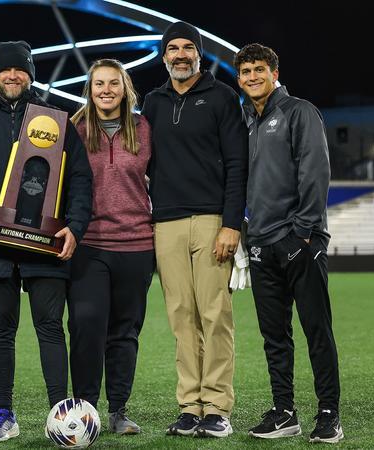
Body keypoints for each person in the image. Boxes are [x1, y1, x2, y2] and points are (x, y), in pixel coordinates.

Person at [0, 40, 92, 442]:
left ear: (31, 75)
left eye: (21, 70)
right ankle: (3, 414)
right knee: (0, 331)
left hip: (45, 244)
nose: (13, 76)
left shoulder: (56, 121)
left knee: (50, 327)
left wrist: (75, 227)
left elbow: (80, 180)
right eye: (6, 69)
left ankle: (60, 414)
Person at [141, 21, 248, 438]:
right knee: (181, 317)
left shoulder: (223, 97)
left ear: (199, 55)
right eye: (174, 48)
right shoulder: (152, 102)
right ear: (164, 55)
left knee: (215, 315)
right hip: (165, 223)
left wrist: (231, 224)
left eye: (189, 48)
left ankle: (217, 408)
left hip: (211, 222)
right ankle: (190, 406)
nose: (181, 55)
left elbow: (238, 164)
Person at [234, 43, 343, 444]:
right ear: (239, 79)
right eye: (246, 72)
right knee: (274, 336)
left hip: (299, 240)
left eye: (259, 69)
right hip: (261, 242)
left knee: (317, 329)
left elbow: (315, 171)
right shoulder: (245, 120)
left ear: (274, 73)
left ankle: (329, 413)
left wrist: (304, 231)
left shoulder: (299, 112)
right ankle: (284, 412)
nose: (252, 77)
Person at [67, 59, 154, 435]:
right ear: (89, 89)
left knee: (125, 330)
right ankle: (85, 410)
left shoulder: (144, 128)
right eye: (99, 83)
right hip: (89, 244)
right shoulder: (73, 129)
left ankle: (119, 410)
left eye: (113, 83)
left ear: (125, 88)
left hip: (137, 244)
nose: (106, 90)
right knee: (86, 325)